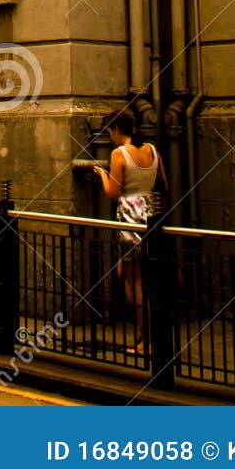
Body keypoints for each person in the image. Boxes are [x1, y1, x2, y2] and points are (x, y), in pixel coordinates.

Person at [86, 108, 166, 355]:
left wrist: (102, 175)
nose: (110, 137)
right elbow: (164, 186)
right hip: (150, 216)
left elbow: (113, 193)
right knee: (141, 276)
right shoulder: (152, 150)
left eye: (110, 131)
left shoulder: (119, 154)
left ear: (117, 129)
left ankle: (146, 339)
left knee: (134, 280)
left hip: (130, 218)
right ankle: (148, 335)